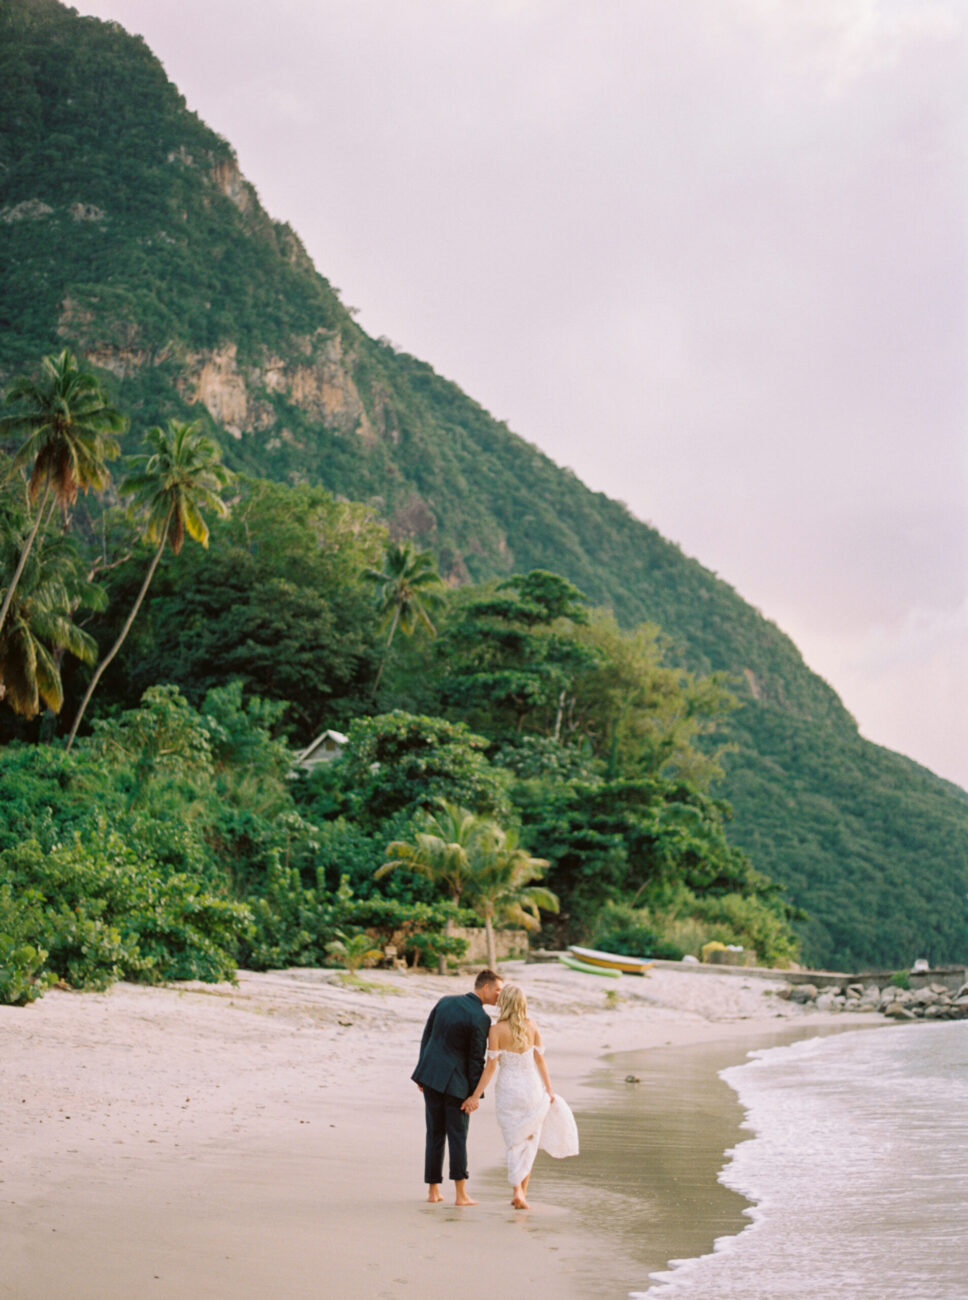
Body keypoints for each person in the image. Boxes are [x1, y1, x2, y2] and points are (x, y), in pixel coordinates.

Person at [462, 983, 579, 1209]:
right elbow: (540, 1060)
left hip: (509, 1090)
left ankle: (518, 1191)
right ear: (523, 1004)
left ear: (504, 1003)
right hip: (532, 1087)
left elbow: (491, 1066)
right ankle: (522, 1192)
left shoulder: (496, 1030)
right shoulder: (532, 1025)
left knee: (514, 1141)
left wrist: (475, 1095)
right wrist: (549, 1089)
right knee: (529, 1140)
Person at [412, 968, 503, 1205]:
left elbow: (427, 1037)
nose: (499, 996)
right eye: (497, 990)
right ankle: (461, 1195)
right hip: (456, 1084)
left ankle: (433, 1192)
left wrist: (422, 1074)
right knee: (458, 1136)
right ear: (485, 988)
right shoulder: (481, 1018)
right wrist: (475, 1095)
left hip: (431, 1077)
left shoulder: (445, 1001)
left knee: (434, 1134)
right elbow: (476, 1060)